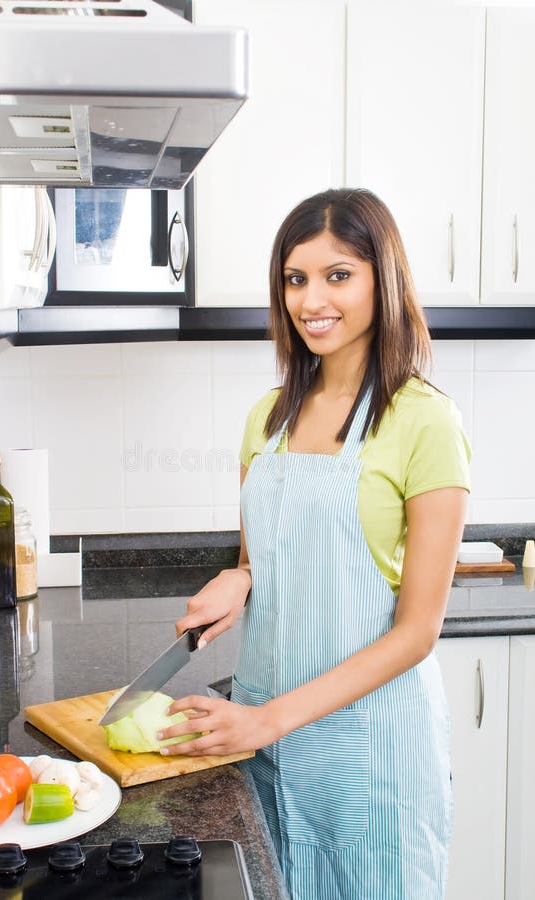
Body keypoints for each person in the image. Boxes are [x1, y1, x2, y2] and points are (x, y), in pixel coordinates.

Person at [157, 188, 471, 900]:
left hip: (370, 750)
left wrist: (265, 722)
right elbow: (262, 555)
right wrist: (240, 579)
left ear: (383, 280)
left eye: (339, 275)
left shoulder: (425, 421)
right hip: (265, 740)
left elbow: (418, 632)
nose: (312, 300)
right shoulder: (267, 418)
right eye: (295, 278)